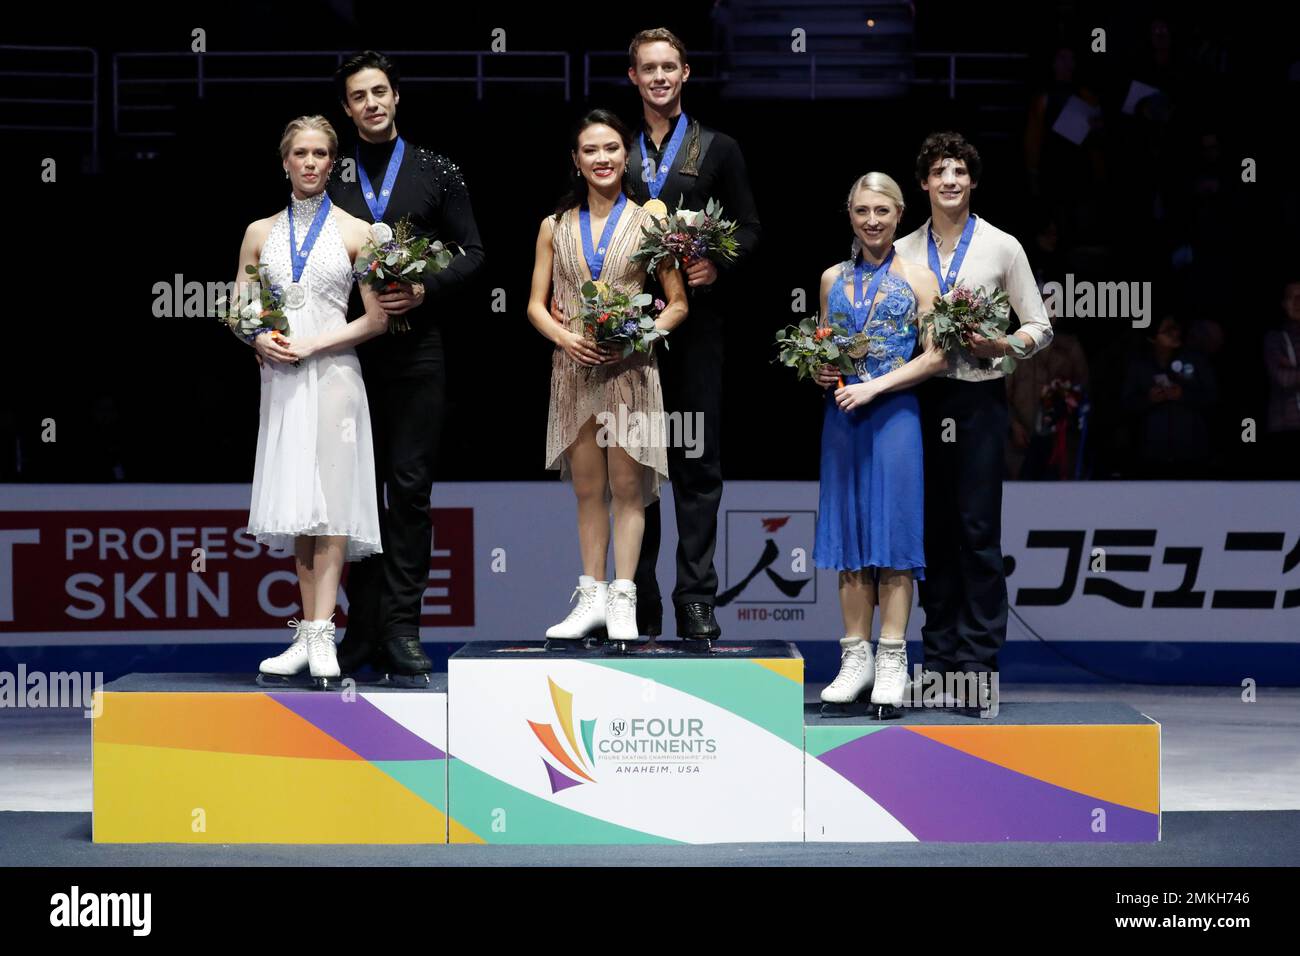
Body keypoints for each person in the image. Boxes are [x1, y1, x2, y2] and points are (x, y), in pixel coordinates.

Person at [548, 27, 761, 642]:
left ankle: (695, 597)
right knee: (631, 471)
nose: (661, 76)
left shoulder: (717, 149)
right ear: (634, 76)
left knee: (694, 463)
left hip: (689, 336)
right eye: (650, 68)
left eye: (671, 66)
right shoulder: (617, 149)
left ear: (686, 74)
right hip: (620, 347)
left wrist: (719, 263)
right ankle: (630, 600)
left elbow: (750, 227)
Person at [327, 51, 486, 682]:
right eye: (359, 96)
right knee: (353, 494)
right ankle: (359, 627)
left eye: (380, 92)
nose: (371, 103)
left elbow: (474, 251)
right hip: (347, 355)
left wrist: (426, 287)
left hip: (418, 354)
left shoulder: (435, 170)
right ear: (347, 108)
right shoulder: (330, 174)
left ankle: (401, 629)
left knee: (410, 493)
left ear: (397, 98)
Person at [230, 116, 391, 687]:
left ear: (332, 162)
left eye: (321, 153)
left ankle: (324, 634)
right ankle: (308, 630)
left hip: (335, 377)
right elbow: (241, 307)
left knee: (333, 500)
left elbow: (375, 320)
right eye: (300, 152)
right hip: (282, 380)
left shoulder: (359, 232)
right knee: (300, 503)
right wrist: (257, 337)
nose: (310, 162)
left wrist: (311, 343)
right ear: (285, 161)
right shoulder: (258, 231)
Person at [893, 132, 1054, 703]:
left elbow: (1041, 325)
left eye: (959, 171)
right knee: (934, 533)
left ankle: (978, 663)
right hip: (921, 400)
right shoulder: (902, 250)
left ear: (974, 181)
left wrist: (1004, 346)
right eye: (940, 171)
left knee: (978, 533)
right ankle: (938, 659)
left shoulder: (1002, 247)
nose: (950, 181)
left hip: (980, 399)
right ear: (924, 183)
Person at [529, 109, 689, 643]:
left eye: (611, 149)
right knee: (587, 490)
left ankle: (624, 599)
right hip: (572, 369)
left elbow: (677, 304)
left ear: (627, 156)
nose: (602, 159)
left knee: (628, 488)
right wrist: (563, 336)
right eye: (590, 150)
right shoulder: (553, 226)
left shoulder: (650, 223)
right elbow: (533, 305)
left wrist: (637, 337)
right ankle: (590, 598)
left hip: (631, 371)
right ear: (576, 161)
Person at [812, 173, 945, 710]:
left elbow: (935, 356)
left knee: (892, 538)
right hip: (844, 420)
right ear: (850, 214)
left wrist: (875, 388)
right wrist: (823, 372)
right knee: (849, 537)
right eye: (863, 211)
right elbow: (824, 347)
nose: (872, 221)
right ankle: (854, 657)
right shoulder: (829, 278)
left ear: (899, 214)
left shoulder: (920, 278)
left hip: (894, 417)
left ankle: (892, 657)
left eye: (882, 212)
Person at [1121, 315, 1217, 478]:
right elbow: (1126, 404)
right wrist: (1149, 399)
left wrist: (1183, 395)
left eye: (1175, 327)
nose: (1175, 333)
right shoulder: (1139, 365)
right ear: (1152, 338)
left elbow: (1213, 398)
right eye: (1167, 331)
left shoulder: (1195, 360)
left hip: (1191, 453)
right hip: (1152, 455)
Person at [1262, 279, 1300, 479]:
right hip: (1286, 429)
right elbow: (1283, 379)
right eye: (1292, 297)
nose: (1298, 302)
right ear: (1284, 304)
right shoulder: (1275, 338)